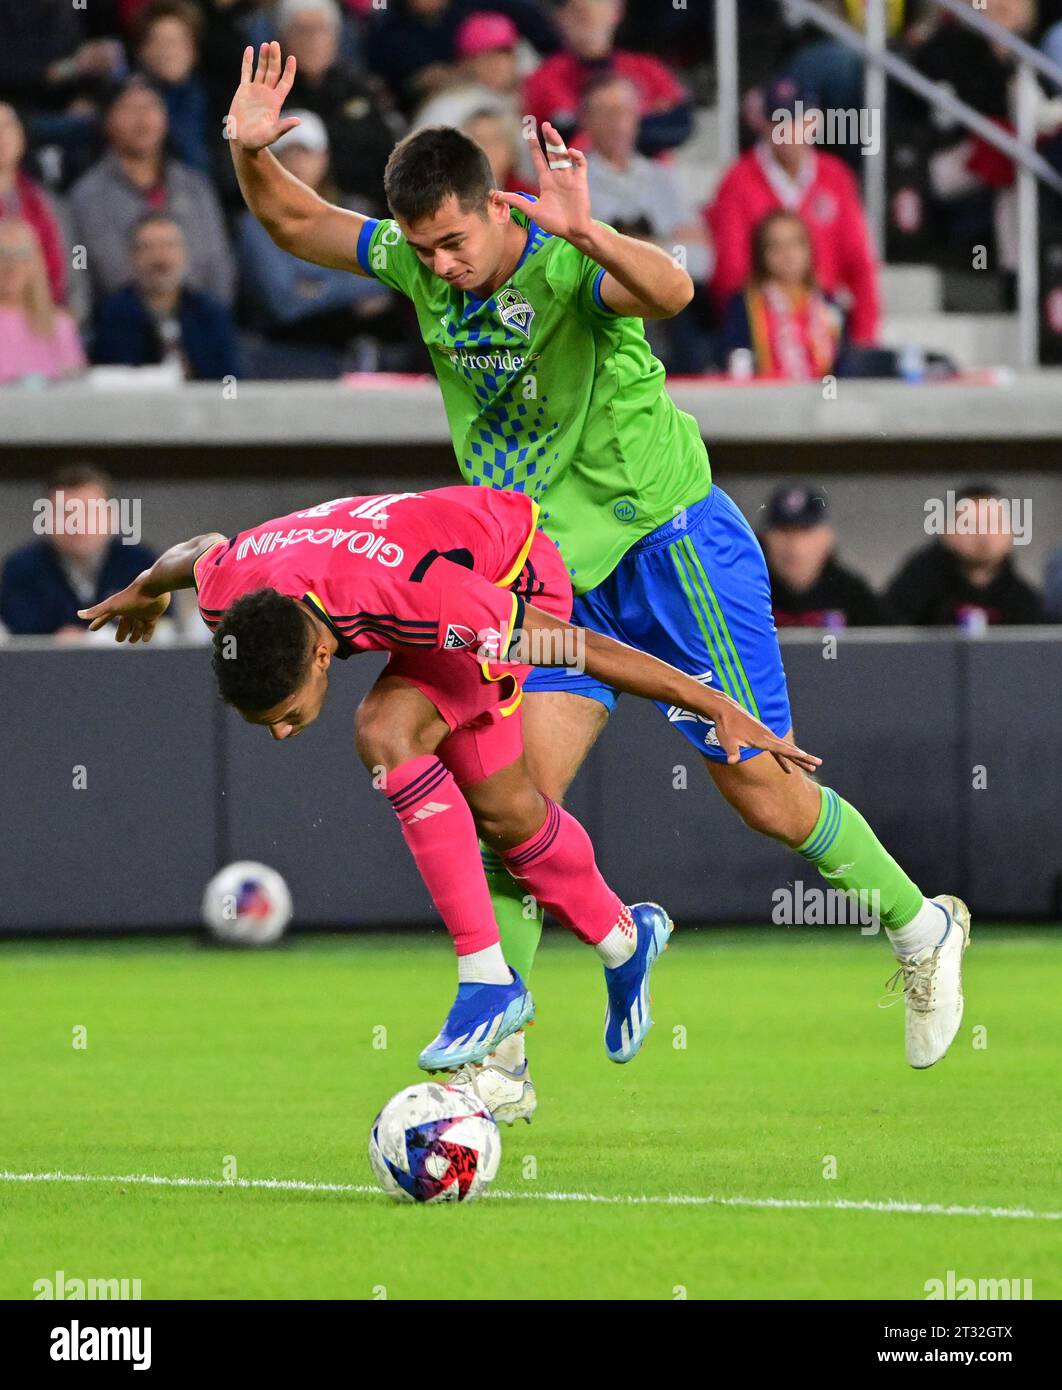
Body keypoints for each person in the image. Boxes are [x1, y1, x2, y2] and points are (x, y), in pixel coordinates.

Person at [230, 40, 972, 1124]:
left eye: (451, 243)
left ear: (493, 209)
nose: (439, 267)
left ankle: (920, 928)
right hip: (543, 578)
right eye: (423, 251)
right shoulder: (412, 257)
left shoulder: (560, 252)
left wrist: (588, 228)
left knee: (758, 785)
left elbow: (674, 289)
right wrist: (251, 153)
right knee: (508, 803)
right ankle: (505, 1058)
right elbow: (298, 221)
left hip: (668, 544)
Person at [76, 486, 814, 1070]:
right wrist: (146, 585)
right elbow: (204, 550)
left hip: (513, 570)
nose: (278, 732)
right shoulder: (230, 596)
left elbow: (579, 646)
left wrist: (714, 700)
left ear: (320, 658)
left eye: (285, 710)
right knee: (509, 816)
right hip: (426, 562)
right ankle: (627, 939)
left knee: (385, 731)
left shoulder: (419, 602)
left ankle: (487, 979)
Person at [708, 75, 881, 345]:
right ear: (762, 124)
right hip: (763, 326)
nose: (788, 131)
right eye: (779, 121)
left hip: (827, 323)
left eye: (798, 120)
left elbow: (860, 265)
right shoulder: (737, 181)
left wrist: (864, 338)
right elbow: (730, 275)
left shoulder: (836, 176)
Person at [69, 75, 235, 304]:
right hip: (127, 322)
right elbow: (98, 267)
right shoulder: (88, 195)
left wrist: (202, 313)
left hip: (203, 319)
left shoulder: (195, 185)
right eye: (128, 108)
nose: (142, 119)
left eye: (151, 107)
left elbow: (218, 262)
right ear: (107, 120)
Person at [0, 465, 157, 636]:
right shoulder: (21, 570)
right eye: (65, 513)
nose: (77, 524)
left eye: (89, 512)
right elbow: (16, 636)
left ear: (111, 516)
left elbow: (163, 631)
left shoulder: (142, 564)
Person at [523, 0, 691, 156]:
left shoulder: (647, 69)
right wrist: (644, 120)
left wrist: (600, 128)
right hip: (580, 176)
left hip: (647, 177)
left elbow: (681, 126)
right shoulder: (546, 76)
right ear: (561, 18)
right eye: (577, 10)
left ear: (617, 12)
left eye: (598, 4)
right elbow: (562, 137)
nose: (589, 15)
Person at [278, 0, 397, 209]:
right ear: (283, 37)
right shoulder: (271, 92)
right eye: (302, 30)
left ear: (335, 36)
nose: (312, 40)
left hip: (363, 208)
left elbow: (385, 155)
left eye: (321, 30)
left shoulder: (359, 89)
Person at [92, 213, 240, 379]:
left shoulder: (210, 314)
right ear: (131, 257)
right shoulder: (113, 314)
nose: (160, 258)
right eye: (147, 247)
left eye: (168, 246)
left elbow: (232, 380)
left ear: (185, 253)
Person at [886, 484, 1044, 627]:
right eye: (970, 525)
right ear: (947, 533)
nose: (983, 535)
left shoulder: (1025, 603)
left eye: (994, 524)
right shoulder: (914, 589)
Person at [720, 210, 843, 381]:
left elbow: (843, 365)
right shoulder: (744, 305)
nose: (787, 253)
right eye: (775, 246)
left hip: (824, 402)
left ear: (809, 249)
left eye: (795, 243)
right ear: (761, 254)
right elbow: (737, 361)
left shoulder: (828, 303)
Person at [760, 484, 886, 628]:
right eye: (784, 531)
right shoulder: (746, 594)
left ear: (827, 537)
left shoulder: (853, 595)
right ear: (765, 538)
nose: (794, 546)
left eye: (805, 531)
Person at [0, 220, 85, 386]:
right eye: (2, 254)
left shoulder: (59, 324)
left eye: (21, 254)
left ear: (36, 262)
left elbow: (74, 388)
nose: (11, 265)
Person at [0, 103, 69, 307]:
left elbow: (78, 251)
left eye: (7, 127)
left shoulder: (50, 201)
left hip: (53, 319)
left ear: (21, 136)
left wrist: (76, 304)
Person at [133, 0, 212, 177]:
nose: (166, 52)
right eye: (157, 42)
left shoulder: (217, 100)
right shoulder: (126, 103)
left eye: (174, 42)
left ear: (193, 50)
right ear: (141, 51)